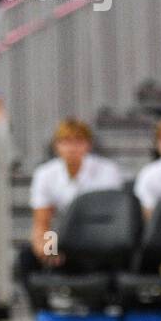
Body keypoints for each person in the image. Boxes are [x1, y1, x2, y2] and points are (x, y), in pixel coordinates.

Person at [24, 118, 124, 280]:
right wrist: (50, 250)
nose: (72, 148)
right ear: (56, 146)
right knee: (27, 257)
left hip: (98, 241)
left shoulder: (107, 171)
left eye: (78, 141)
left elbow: (111, 220)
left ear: (88, 145)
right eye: (66, 142)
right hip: (63, 240)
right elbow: (43, 223)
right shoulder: (45, 174)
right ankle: (40, 304)